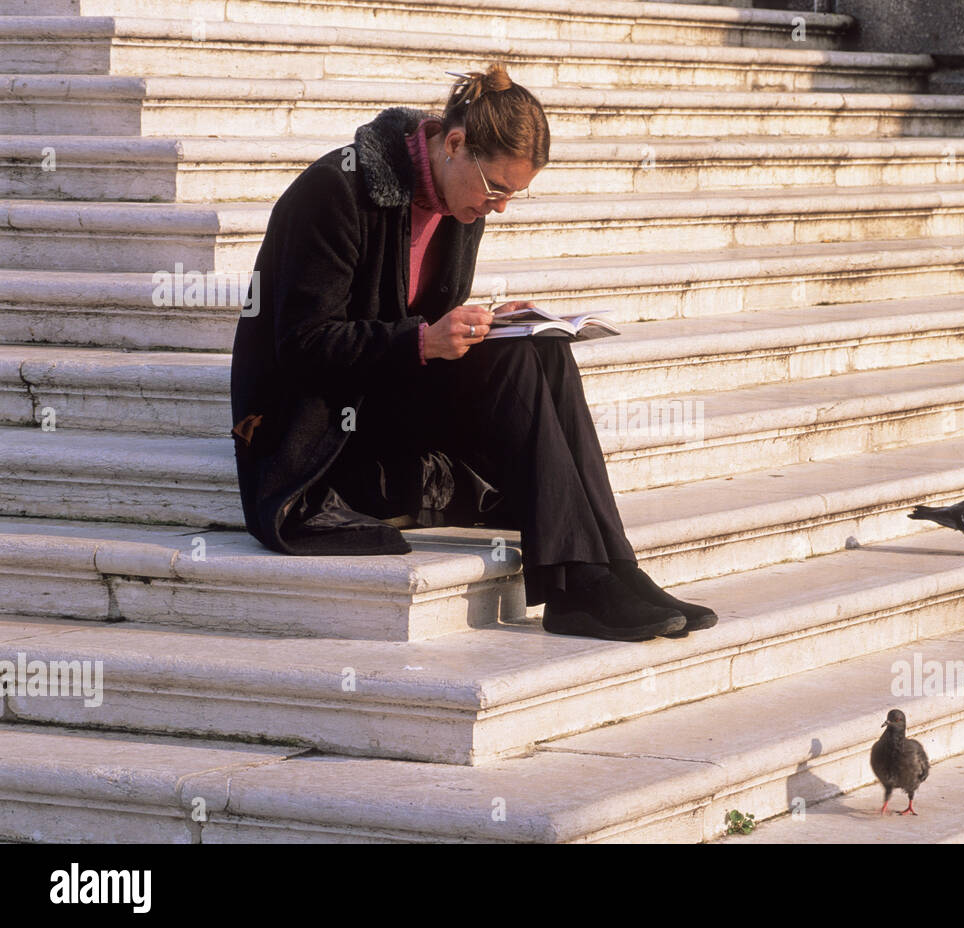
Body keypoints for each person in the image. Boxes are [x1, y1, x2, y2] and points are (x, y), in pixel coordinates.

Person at [230, 63, 716, 641]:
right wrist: (423, 339)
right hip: (323, 436)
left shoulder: (460, 201)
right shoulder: (336, 192)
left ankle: (616, 567)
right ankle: (575, 587)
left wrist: (488, 326)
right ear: (454, 143)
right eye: (497, 189)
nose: (501, 207)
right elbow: (303, 345)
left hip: (385, 404)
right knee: (513, 362)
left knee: (543, 350)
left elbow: (426, 324)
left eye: (513, 195)